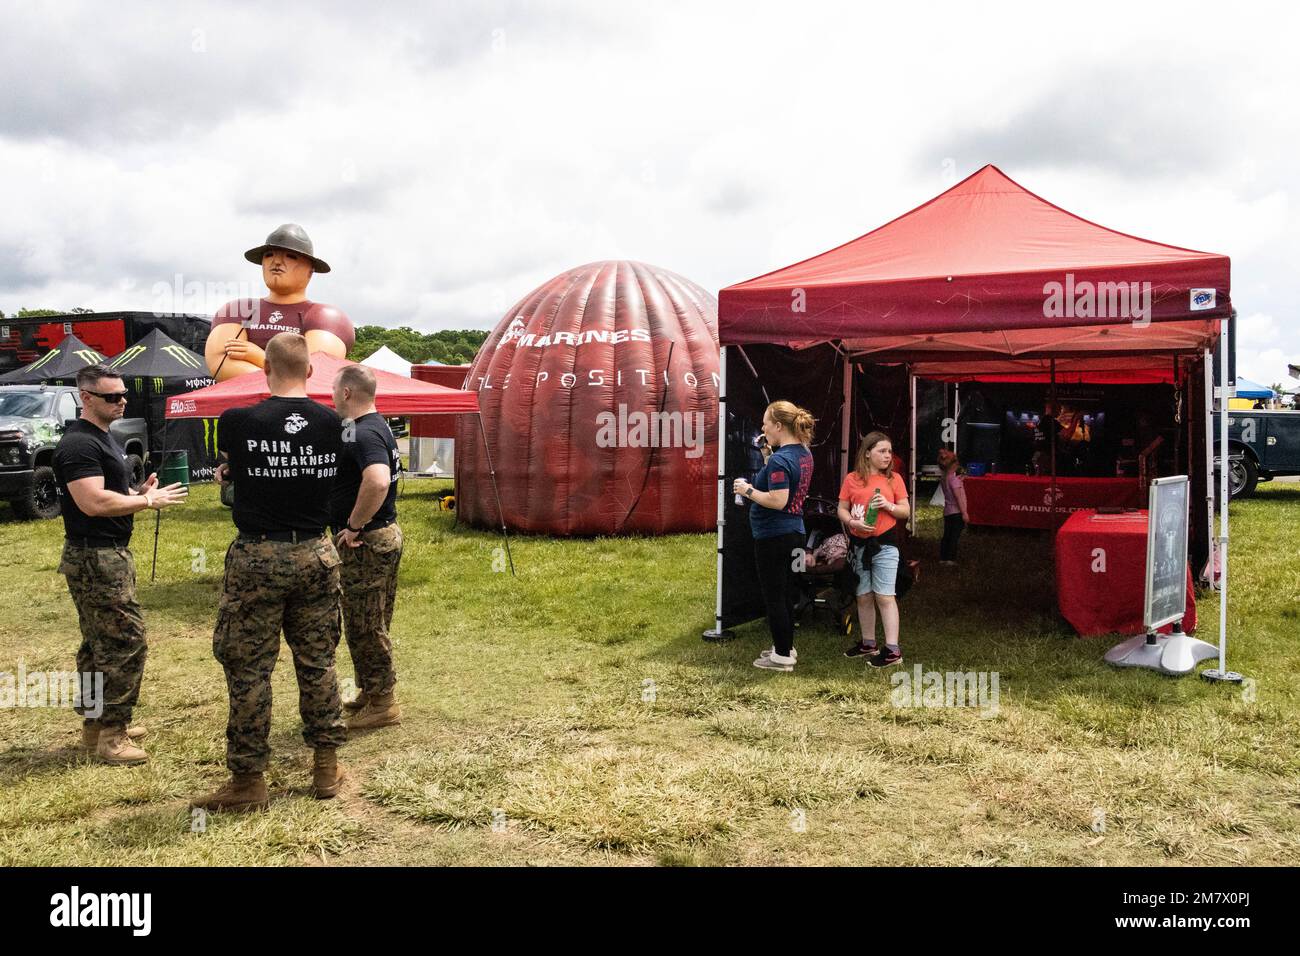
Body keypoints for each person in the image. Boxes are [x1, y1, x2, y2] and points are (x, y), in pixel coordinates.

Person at [192, 333, 347, 813]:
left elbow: (232, 471)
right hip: (317, 554)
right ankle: (325, 767)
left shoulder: (237, 421)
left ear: (265, 369)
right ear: (309, 372)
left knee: (249, 668)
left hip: (259, 556)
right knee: (318, 662)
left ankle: (248, 780)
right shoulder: (336, 424)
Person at [53, 364, 188, 764]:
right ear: (86, 398)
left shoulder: (101, 438)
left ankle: (96, 726)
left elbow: (110, 492)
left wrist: (135, 491)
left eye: (123, 394)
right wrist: (147, 501)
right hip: (97, 556)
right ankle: (113, 734)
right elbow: (92, 502)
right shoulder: (79, 445)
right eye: (112, 396)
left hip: (105, 553)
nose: (122, 400)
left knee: (98, 644)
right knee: (125, 643)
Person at [330, 365, 404, 731]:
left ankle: (384, 702)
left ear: (347, 392)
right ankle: (370, 689)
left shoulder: (362, 433)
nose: (331, 398)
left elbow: (376, 481)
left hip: (366, 539)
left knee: (364, 623)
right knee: (370, 619)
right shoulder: (380, 426)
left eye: (333, 391)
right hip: (382, 533)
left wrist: (353, 525)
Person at [205, 224, 354, 381]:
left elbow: (311, 374)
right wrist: (282, 374)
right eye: (269, 255)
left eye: (291, 256)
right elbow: (221, 365)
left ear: (310, 271)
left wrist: (258, 356)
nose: (276, 261)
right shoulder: (238, 310)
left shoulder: (326, 317)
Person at [732, 401, 815, 672]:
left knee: (774, 597)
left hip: (774, 537)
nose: (763, 428)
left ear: (779, 426)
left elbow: (778, 499)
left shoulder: (782, 459)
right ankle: (786, 646)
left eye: (766, 423)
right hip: (794, 534)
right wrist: (768, 455)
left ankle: (781, 657)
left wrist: (747, 490)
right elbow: (783, 481)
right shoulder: (803, 453)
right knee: (787, 594)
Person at [839, 431, 910, 666]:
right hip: (859, 544)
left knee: (885, 596)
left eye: (889, 451)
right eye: (882, 451)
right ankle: (868, 643)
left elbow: (905, 511)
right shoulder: (852, 479)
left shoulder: (894, 479)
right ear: (867, 453)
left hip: (885, 544)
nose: (887, 456)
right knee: (863, 596)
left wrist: (888, 505)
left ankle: (893, 651)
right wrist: (852, 522)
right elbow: (842, 509)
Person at [937, 448, 969, 565]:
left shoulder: (945, 478)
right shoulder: (954, 480)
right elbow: (958, 498)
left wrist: (959, 480)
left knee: (947, 535)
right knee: (954, 536)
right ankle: (951, 559)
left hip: (948, 511)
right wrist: (964, 512)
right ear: (954, 465)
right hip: (956, 512)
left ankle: (943, 557)